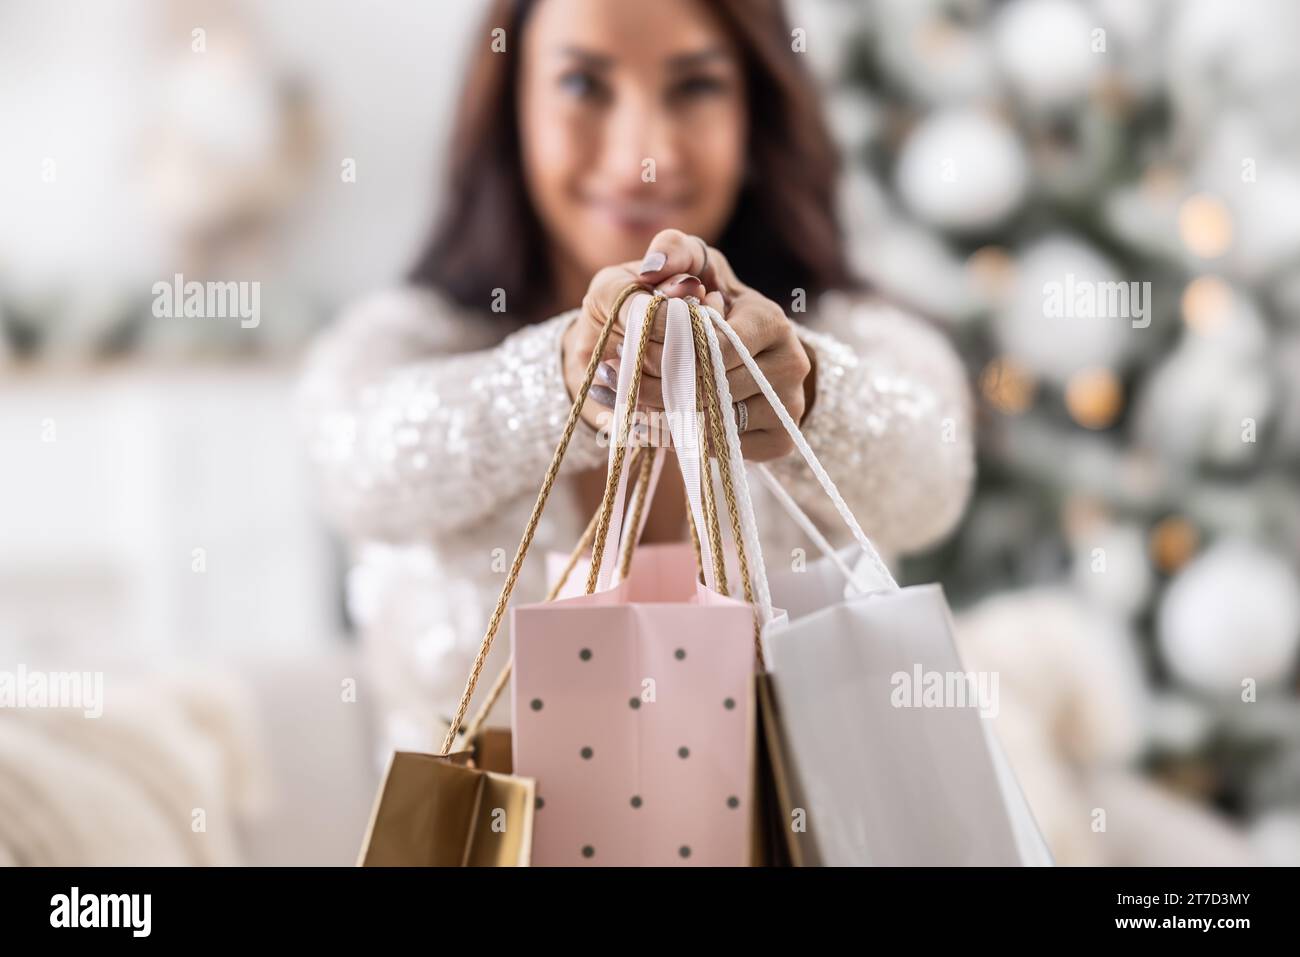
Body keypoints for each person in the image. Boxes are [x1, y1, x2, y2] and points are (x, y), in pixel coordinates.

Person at [297, 0, 974, 752]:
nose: (639, 155)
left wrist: (809, 395)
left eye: (695, 87)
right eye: (584, 85)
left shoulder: (849, 334)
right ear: (511, 105)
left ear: (756, 109)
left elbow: (933, 476)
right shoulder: (405, 345)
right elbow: (351, 460)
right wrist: (562, 380)